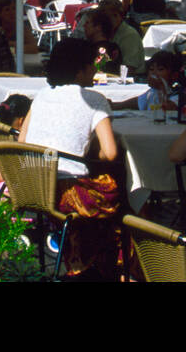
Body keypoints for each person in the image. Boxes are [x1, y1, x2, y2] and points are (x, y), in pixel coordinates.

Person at [18, 39, 122, 279]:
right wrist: (87, 151)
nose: (95, 70)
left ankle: (82, 262)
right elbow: (111, 152)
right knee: (115, 189)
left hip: (33, 185)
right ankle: (104, 264)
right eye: (91, 66)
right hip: (67, 192)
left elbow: (22, 142)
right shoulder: (94, 100)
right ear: (79, 71)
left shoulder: (41, 96)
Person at [97, 0, 145, 74]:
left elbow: (129, 69)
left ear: (119, 16)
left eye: (113, 15)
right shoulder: (103, 33)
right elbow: (98, 64)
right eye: (103, 18)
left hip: (133, 78)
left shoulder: (129, 35)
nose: (104, 22)